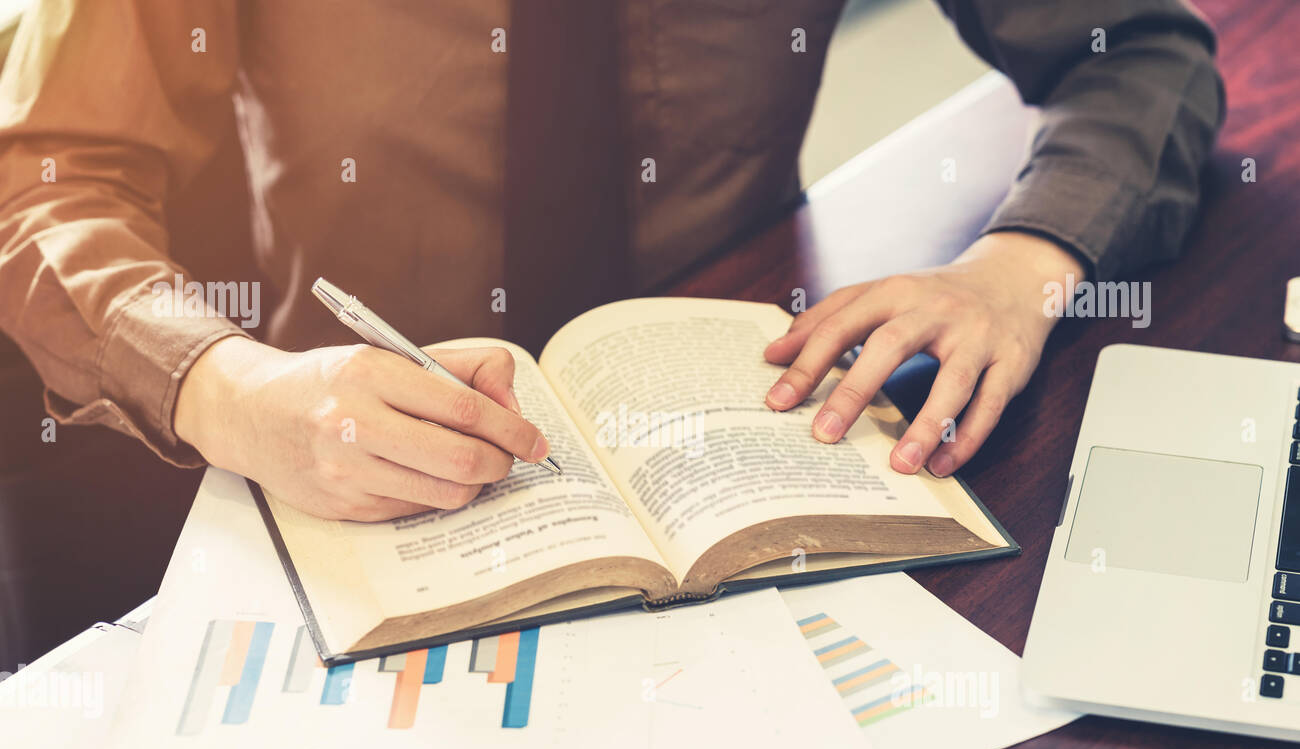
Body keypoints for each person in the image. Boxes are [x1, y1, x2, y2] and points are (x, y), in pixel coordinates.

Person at [0, 0, 1223, 659]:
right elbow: (38, 177)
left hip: (742, 438)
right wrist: (227, 387)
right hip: (371, 485)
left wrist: (1024, 262)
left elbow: (1138, 52)